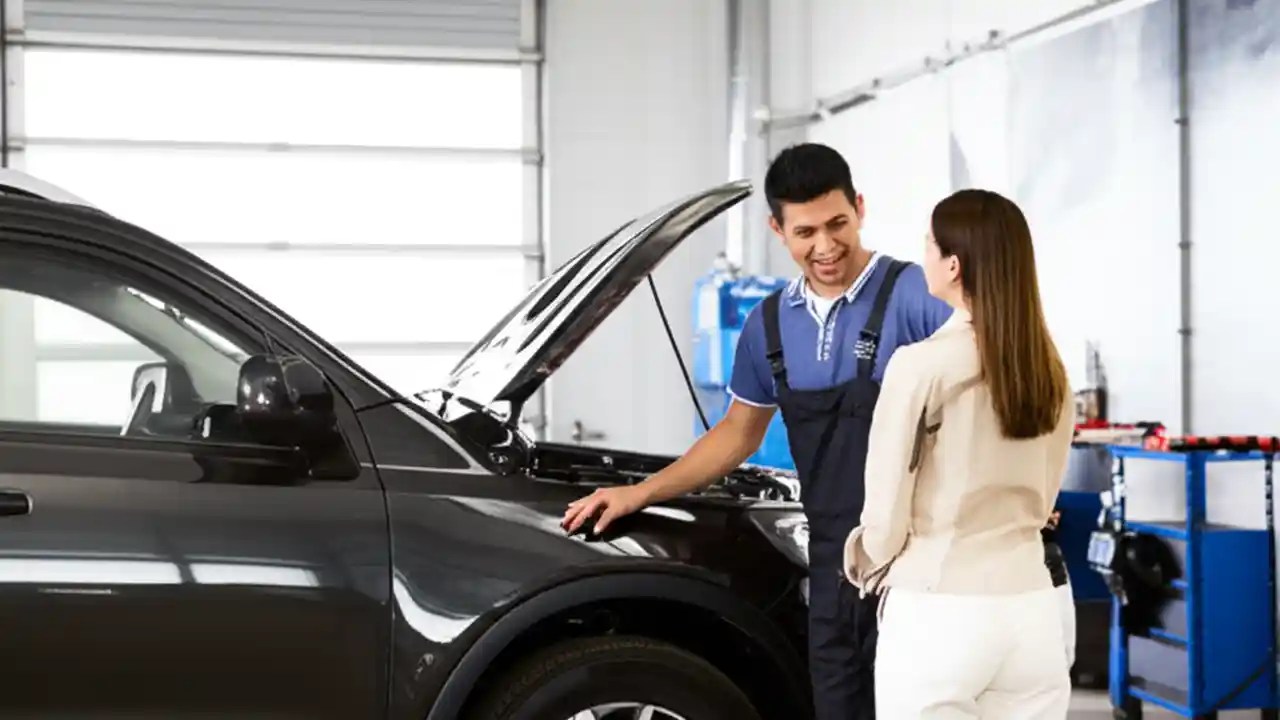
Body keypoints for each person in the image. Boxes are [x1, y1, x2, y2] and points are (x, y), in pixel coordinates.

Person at [562, 142, 953, 720]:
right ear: (778, 228)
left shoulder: (917, 297)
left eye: (837, 223)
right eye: (805, 232)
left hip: (923, 566)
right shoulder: (768, 325)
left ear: (860, 207)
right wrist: (639, 492)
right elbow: (736, 435)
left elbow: (984, 398)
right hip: (834, 567)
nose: (825, 246)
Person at [843, 188, 1074, 718]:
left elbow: (884, 512)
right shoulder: (1049, 371)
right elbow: (1047, 492)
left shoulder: (921, 364)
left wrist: (862, 562)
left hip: (940, 608)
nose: (922, 255)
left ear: (953, 264)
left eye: (928, 244)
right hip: (1034, 609)